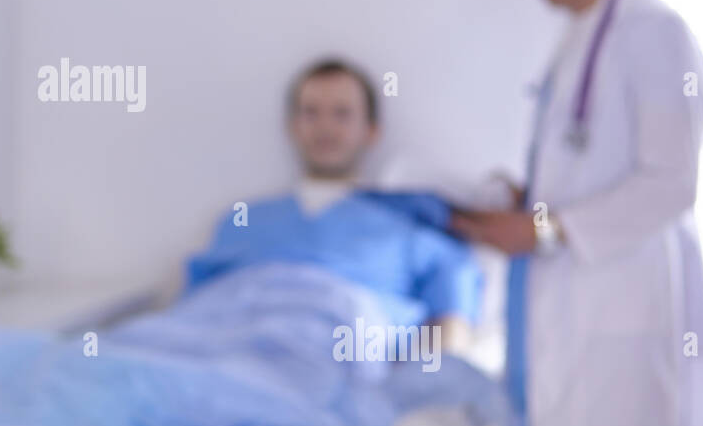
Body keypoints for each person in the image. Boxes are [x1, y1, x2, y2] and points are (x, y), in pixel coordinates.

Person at [450, 0, 703, 426]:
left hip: (623, 299)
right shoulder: (579, 38)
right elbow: (588, 168)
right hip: (574, 297)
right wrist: (528, 202)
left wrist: (541, 230)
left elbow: (671, 184)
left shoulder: (654, 34)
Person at [185, 60, 482, 350]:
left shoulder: (411, 224)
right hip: (225, 350)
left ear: (371, 130)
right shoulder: (242, 219)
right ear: (293, 127)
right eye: (311, 113)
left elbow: (451, 328)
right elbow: (193, 315)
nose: (325, 127)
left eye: (342, 114)